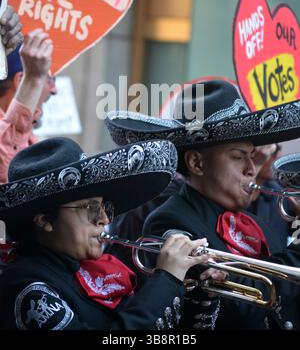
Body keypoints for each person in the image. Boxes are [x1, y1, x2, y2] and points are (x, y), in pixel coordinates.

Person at [105, 79, 300, 330]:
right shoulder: (171, 220)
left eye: (252, 157)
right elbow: (241, 307)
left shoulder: (256, 223)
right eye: (238, 157)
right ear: (197, 163)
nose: (251, 169)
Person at [0, 136, 224, 330]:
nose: (104, 219)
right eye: (90, 208)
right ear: (45, 220)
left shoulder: (86, 268)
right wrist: (166, 279)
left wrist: (201, 297)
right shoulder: (25, 285)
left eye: (105, 207)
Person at [0, 24, 57, 183]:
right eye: (50, 78)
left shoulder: (32, 138)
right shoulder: (14, 134)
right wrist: (33, 80)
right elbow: (8, 172)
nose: (55, 90)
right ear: (20, 80)